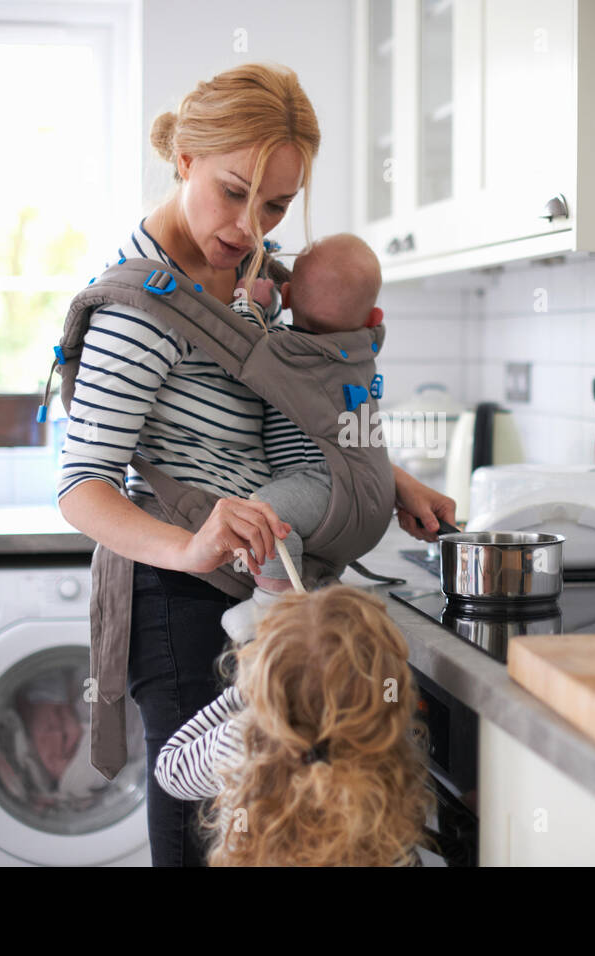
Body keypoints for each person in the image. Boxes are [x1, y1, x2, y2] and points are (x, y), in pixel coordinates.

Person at [55, 62, 455, 868]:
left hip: (261, 587)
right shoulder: (140, 310)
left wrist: (390, 482)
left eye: (275, 205)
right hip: (180, 601)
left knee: (276, 839)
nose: (249, 225)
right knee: (207, 843)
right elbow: (80, 486)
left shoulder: (256, 281)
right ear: (185, 160)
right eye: (233, 192)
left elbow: (294, 421)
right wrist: (191, 543)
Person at [155, 586, 431, 866]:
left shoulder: (240, 739)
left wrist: (242, 694)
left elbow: (170, 770)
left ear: (265, 676)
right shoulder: (383, 765)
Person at [220, 233, 385, 643]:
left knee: (264, 516)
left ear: (287, 295)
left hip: (319, 480)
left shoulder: (286, 351)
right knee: (279, 522)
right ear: (373, 317)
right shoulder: (364, 348)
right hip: (370, 497)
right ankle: (316, 589)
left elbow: (236, 350)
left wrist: (248, 303)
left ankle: (274, 610)